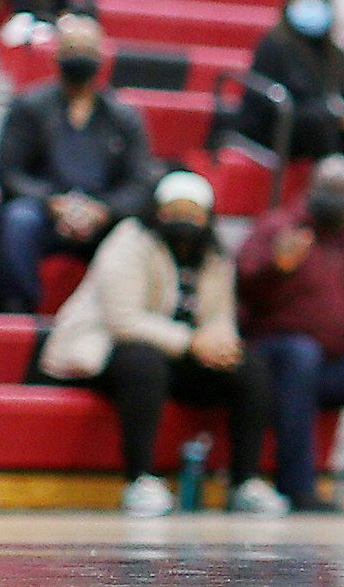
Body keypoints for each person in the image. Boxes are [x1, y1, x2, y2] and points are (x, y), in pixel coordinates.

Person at [32, 169, 287, 514]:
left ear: (207, 217)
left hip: (178, 353)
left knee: (250, 368)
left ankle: (244, 483)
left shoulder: (215, 254)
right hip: (104, 349)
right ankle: (140, 480)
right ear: (158, 212)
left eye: (192, 213)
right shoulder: (130, 240)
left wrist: (221, 344)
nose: (184, 220)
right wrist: (193, 342)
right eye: (174, 211)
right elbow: (124, 321)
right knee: (144, 362)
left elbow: (220, 317)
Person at [234, 156, 344, 511]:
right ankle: (297, 487)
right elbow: (240, 286)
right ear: (310, 188)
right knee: (302, 354)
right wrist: (275, 267)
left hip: (336, 366)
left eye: (343, 191)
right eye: (328, 188)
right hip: (275, 359)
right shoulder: (276, 230)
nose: (334, 197)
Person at [0, 17, 153, 311]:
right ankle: (18, 310)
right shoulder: (29, 106)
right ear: (56, 55)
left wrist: (104, 210)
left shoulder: (124, 117)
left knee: (135, 232)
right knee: (19, 220)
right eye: (71, 49)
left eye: (86, 49)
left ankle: (121, 312)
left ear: (100, 56)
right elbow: (10, 172)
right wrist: (52, 202)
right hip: (44, 210)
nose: (78, 56)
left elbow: (139, 183)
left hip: (102, 213)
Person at [240, 0, 344, 176]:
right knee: (320, 124)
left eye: (318, 1)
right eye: (305, 0)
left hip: (328, 120)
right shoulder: (274, 46)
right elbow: (284, 100)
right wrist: (340, 117)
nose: (312, 7)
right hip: (279, 125)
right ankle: (334, 185)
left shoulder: (333, 52)